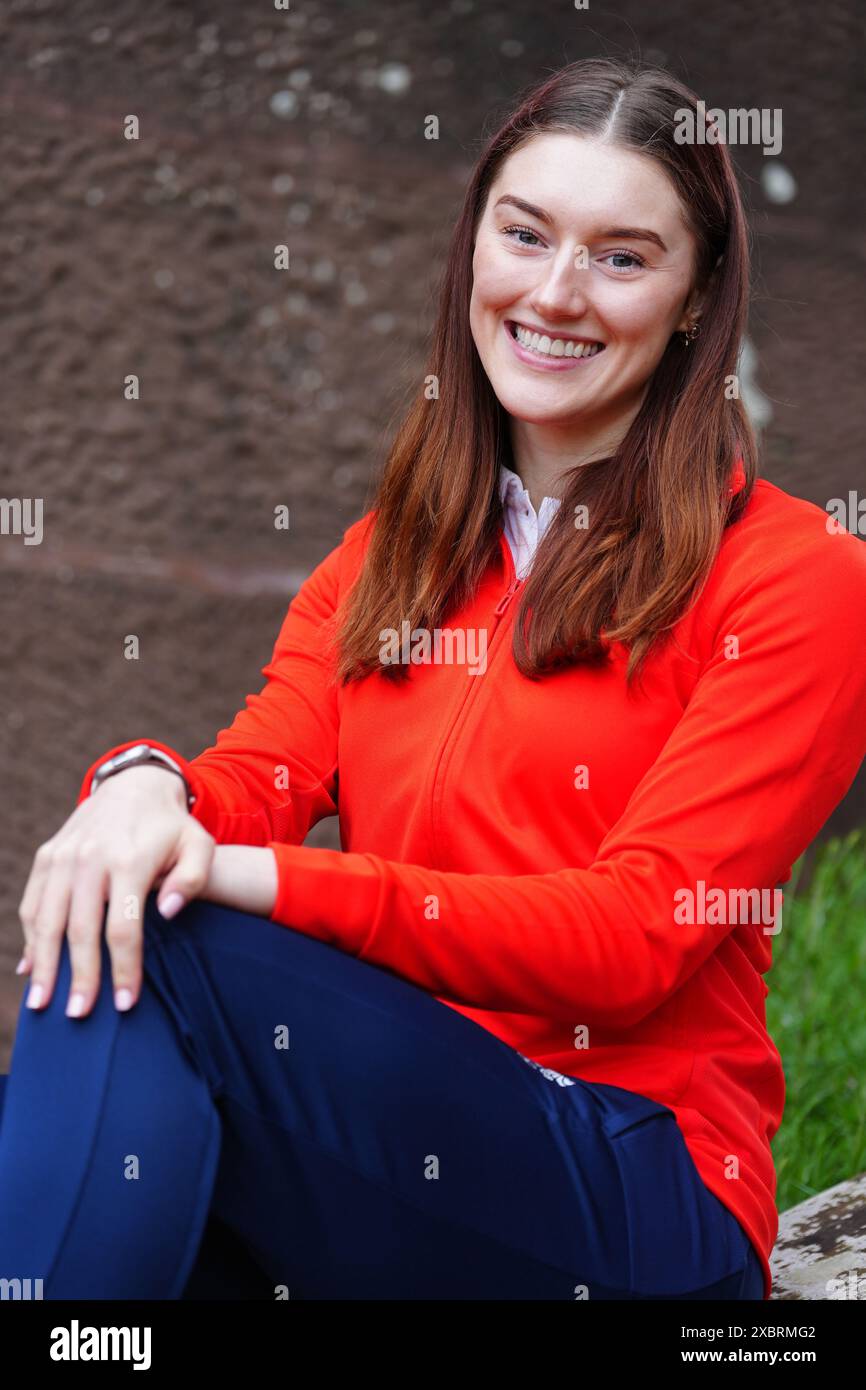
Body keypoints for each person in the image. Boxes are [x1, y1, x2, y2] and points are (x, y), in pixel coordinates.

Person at [2, 56, 866, 1302]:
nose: (556, 293)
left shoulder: (795, 575)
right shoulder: (386, 556)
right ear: (474, 249)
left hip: (630, 1185)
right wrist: (137, 789)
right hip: (393, 1152)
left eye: (621, 258)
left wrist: (235, 874)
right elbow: (255, 769)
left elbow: (628, 939)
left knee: (168, 942)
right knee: (103, 949)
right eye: (524, 236)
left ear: (694, 300)